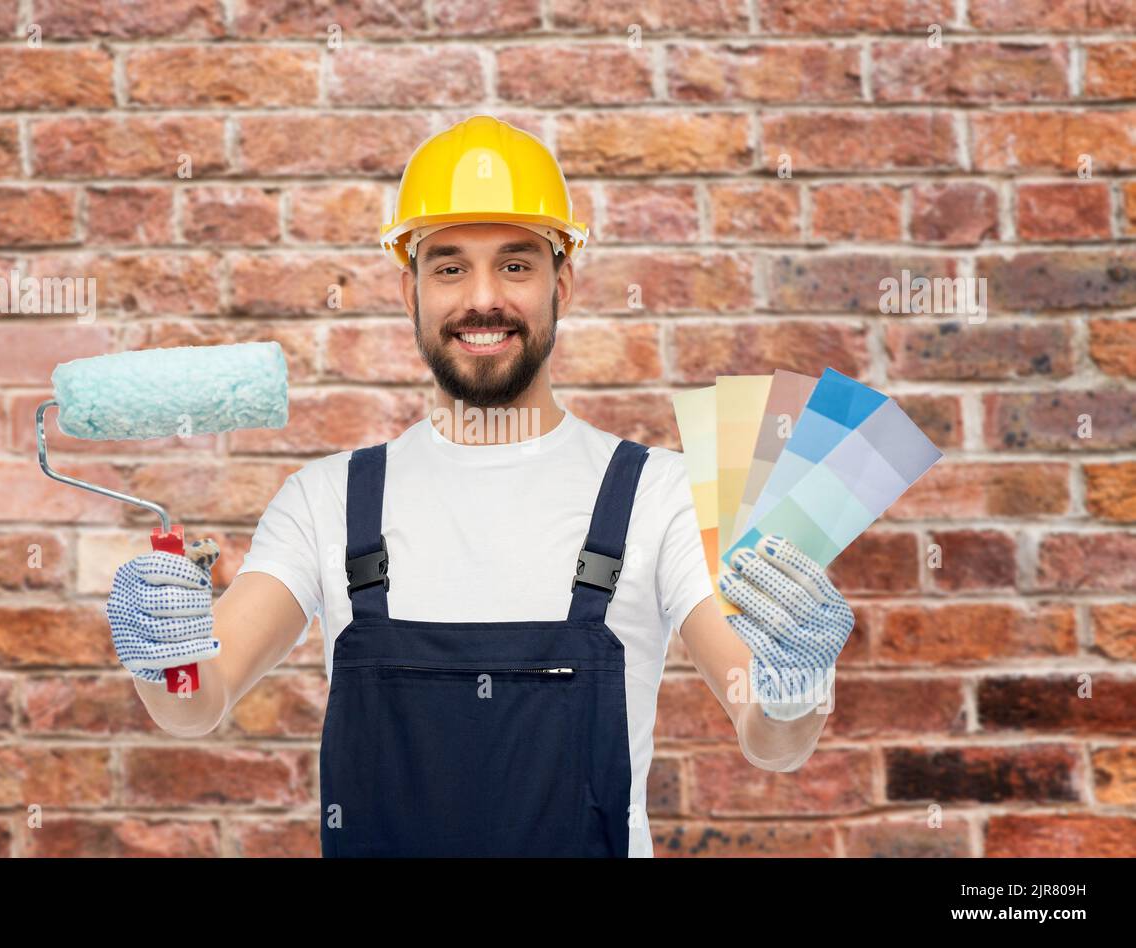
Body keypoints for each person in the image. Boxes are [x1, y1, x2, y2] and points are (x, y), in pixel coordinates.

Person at [107, 115, 854, 858]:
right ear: (412, 292)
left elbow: (771, 741)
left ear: (564, 283)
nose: (484, 298)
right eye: (450, 266)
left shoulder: (659, 496)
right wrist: (160, 650)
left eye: (518, 264)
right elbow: (193, 706)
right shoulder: (326, 501)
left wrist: (792, 685)